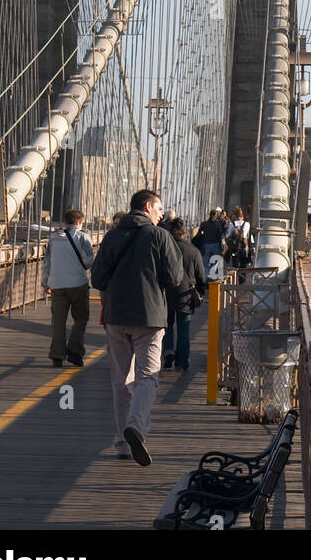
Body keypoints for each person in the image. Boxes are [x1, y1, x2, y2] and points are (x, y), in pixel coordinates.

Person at [90, 190, 184, 466]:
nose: (161, 214)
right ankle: (136, 426)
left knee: (121, 381)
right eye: (159, 209)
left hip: (116, 317)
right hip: (150, 317)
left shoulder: (112, 236)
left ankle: (122, 443)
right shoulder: (159, 236)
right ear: (147, 207)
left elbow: (97, 278)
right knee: (148, 377)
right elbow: (175, 278)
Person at [42, 208, 93, 367]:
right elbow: (88, 262)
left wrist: (46, 283)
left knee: (58, 321)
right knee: (81, 319)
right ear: (79, 222)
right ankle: (75, 352)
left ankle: (57, 355)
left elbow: (47, 262)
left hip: (57, 285)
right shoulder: (83, 237)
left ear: (66, 222)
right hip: (77, 284)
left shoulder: (54, 238)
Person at [162, 218, 206, 372]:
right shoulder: (193, 251)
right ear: (184, 232)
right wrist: (201, 291)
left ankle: (168, 353)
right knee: (184, 328)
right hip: (186, 294)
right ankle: (182, 362)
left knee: (166, 326)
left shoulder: (164, 249)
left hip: (165, 293)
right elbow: (201, 276)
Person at [196, 207, 226, 278]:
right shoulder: (218, 225)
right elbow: (220, 237)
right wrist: (222, 248)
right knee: (215, 263)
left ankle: (206, 279)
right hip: (216, 245)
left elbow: (198, 235)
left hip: (206, 245)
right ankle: (212, 278)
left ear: (209, 215)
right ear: (216, 216)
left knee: (205, 264)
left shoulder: (204, 224)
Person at [225, 206, 252, 281]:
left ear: (236, 216)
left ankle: (234, 282)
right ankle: (242, 281)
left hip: (235, 248)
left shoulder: (232, 224)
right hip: (244, 247)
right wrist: (252, 247)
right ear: (242, 216)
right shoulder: (247, 224)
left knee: (235, 265)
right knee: (243, 265)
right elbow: (249, 236)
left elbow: (228, 235)